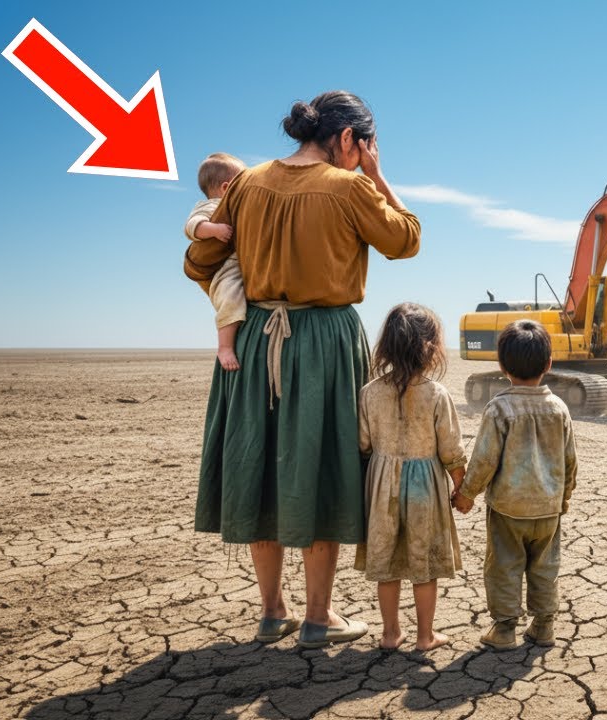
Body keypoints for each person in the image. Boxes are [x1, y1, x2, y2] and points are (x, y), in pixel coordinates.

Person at [185, 91, 421, 649]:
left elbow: (199, 260)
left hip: (252, 341)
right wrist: (379, 175)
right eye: (362, 147)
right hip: (323, 341)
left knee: (258, 466)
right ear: (347, 140)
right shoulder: (351, 186)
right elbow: (406, 239)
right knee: (324, 467)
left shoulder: (245, 183)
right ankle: (319, 617)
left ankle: (272, 612)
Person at [453, 320, 578, 649]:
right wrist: (563, 499)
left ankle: (505, 630)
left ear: (501, 366)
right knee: (545, 565)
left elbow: (484, 460)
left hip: (509, 508)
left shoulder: (500, 409)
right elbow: (570, 461)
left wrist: (466, 495)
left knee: (505, 565)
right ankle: (544, 626)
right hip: (548, 508)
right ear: (549, 364)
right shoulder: (559, 409)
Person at [355, 303, 466, 651]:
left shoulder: (370, 392)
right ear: (431, 349)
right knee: (424, 565)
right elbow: (451, 450)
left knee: (387, 564)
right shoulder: (437, 394)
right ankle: (425, 636)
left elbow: (363, 442)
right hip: (425, 488)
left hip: (381, 485)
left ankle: (390, 634)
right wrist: (462, 487)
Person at [183, 152, 247, 371]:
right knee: (232, 300)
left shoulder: (237, 208)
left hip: (239, 263)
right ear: (226, 188)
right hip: (226, 270)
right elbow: (192, 226)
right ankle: (225, 347)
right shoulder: (211, 207)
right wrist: (214, 229)